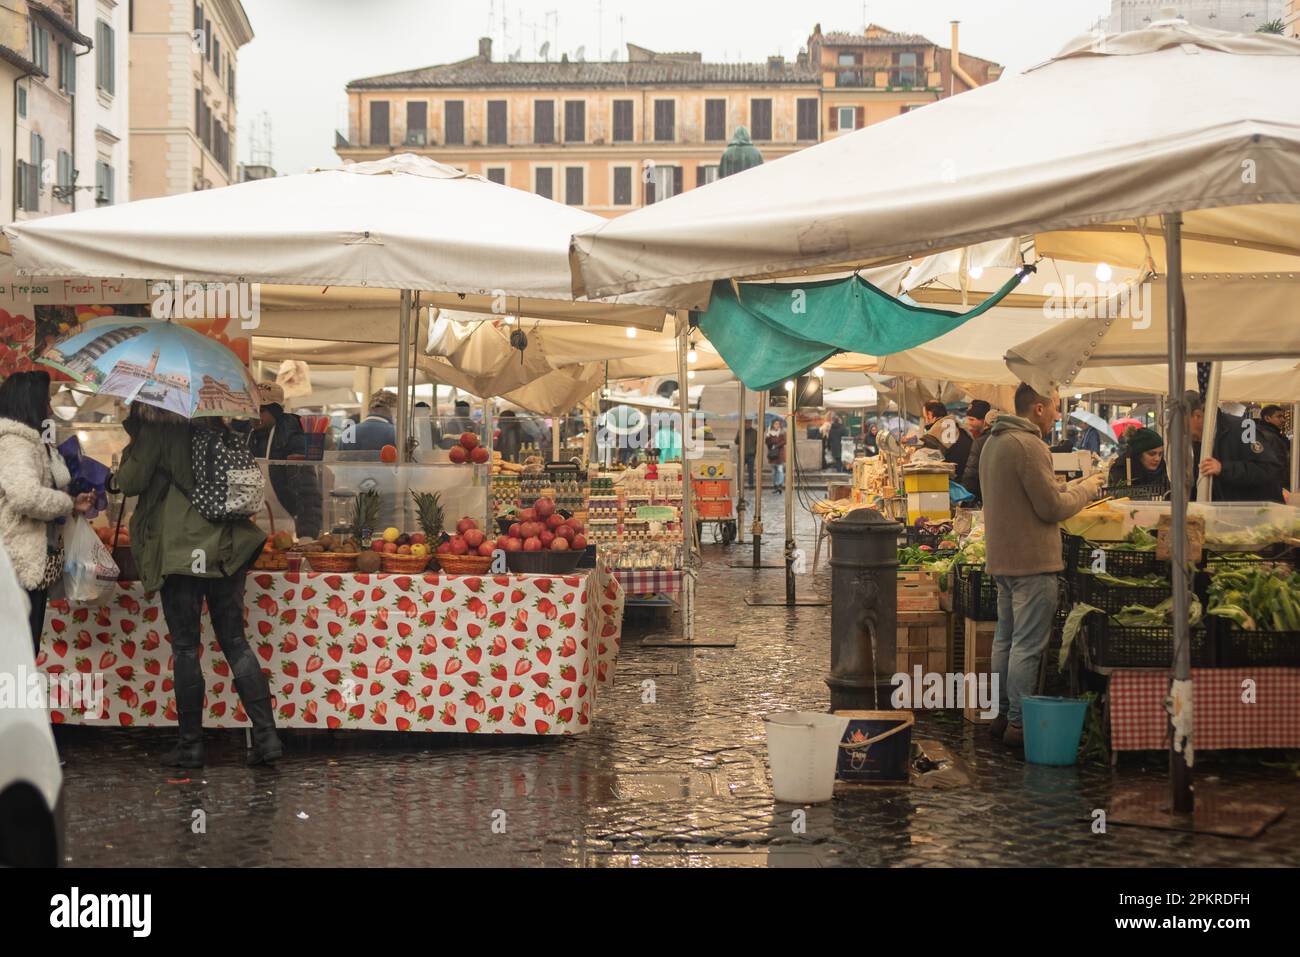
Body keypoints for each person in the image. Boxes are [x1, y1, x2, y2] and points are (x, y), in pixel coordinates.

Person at [116, 404, 283, 767]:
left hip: (181, 551)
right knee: (235, 640)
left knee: (186, 647)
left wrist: (134, 441)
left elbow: (129, 482)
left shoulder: (158, 429)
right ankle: (267, 737)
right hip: (226, 549)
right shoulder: (218, 427)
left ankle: (191, 745)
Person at [980, 383, 1105, 749]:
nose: (1056, 414)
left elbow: (1032, 496)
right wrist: (1088, 490)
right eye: (1054, 408)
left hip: (1002, 559)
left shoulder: (994, 441)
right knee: (1027, 646)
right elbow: (1051, 508)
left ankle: (1001, 715)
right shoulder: (1028, 444)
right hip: (1032, 562)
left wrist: (1072, 486)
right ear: (1037, 408)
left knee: (1005, 640)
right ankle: (1019, 724)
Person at [0, 371, 96, 653]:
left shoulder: (32, 443)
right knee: (19, 653)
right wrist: (67, 503)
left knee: (22, 651)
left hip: (27, 563)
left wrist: (70, 499)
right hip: (19, 563)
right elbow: (25, 495)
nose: (50, 410)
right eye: (45, 402)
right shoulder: (16, 443)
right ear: (30, 404)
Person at [247, 382, 322, 539]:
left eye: (262, 410)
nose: (255, 415)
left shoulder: (293, 439)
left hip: (285, 533)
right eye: (252, 408)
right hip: (249, 531)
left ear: (276, 411)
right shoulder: (247, 437)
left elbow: (307, 492)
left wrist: (307, 535)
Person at [1189, 392, 1287, 502]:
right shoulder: (1197, 440)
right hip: (1223, 513)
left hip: (1257, 512)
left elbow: (1269, 469)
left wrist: (1223, 468)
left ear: (1197, 416)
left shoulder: (1244, 428)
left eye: (1182, 423)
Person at [921, 399, 973, 477]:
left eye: (925, 417)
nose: (925, 420)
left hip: (949, 483)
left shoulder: (933, 436)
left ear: (930, 414)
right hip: (966, 481)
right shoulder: (962, 430)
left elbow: (924, 464)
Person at [959, 402, 994, 505]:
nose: (967, 422)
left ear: (984, 421)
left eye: (972, 419)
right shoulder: (1004, 437)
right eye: (967, 418)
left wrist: (963, 500)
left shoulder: (979, 442)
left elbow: (971, 475)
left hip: (982, 499)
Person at [1260, 405, 1292, 493]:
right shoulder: (1270, 437)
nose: (1283, 420)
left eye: (1283, 417)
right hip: (1278, 485)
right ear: (1267, 418)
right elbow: (1278, 463)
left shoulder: (1273, 435)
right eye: (1279, 416)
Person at [736, 416, 758, 487]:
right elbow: (736, 442)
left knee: (750, 471)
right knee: (739, 470)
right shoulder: (740, 431)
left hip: (751, 454)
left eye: (750, 423)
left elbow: (757, 443)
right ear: (744, 423)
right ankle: (739, 484)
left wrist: (754, 452)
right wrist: (739, 436)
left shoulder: (755, 432)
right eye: (747, 422)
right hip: (742, 454)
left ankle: (751, 484)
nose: (748, 424)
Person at [765, 418, 787, 490]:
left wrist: (776, 445)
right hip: (772, 454)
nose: (777, 425)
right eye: (775, 424)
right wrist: (767, 436)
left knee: (780, 469)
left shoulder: (782, 432)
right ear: (773, 424)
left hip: (780, 454)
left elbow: (784, 441)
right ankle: (775, 484)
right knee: (774, 471)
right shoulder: (770, 432)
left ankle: (780, 484)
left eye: (778, 424)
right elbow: (767, 443)